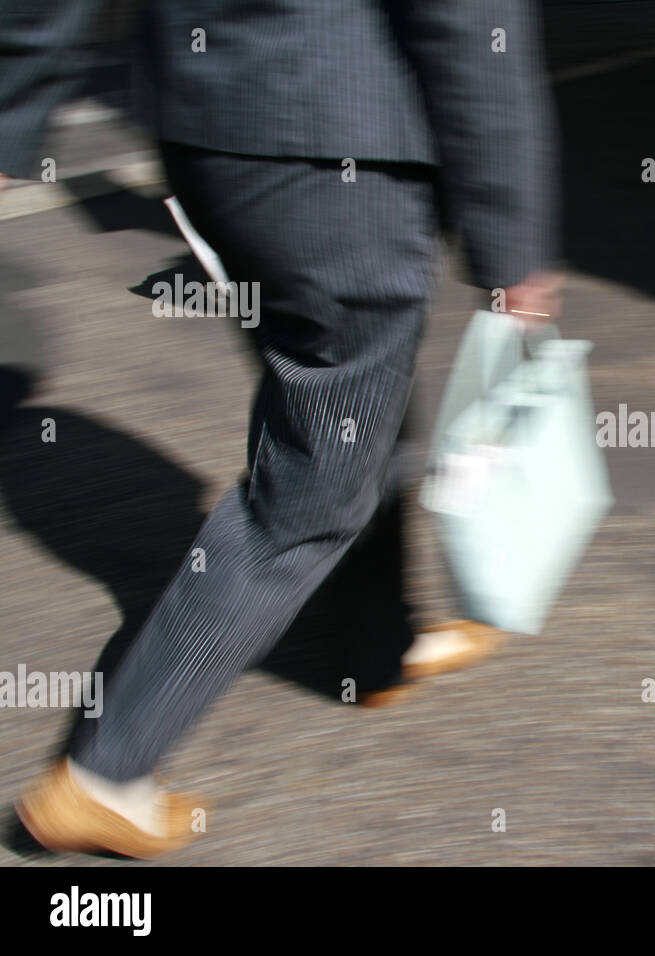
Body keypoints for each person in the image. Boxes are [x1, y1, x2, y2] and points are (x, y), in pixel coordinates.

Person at [0, 0, 560, 858]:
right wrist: (511, 238)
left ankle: (378, 646)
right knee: (307, 492)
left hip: (205, 121)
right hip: (330, 139)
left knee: (355, 395)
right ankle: (102, 774)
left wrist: (16, 106)